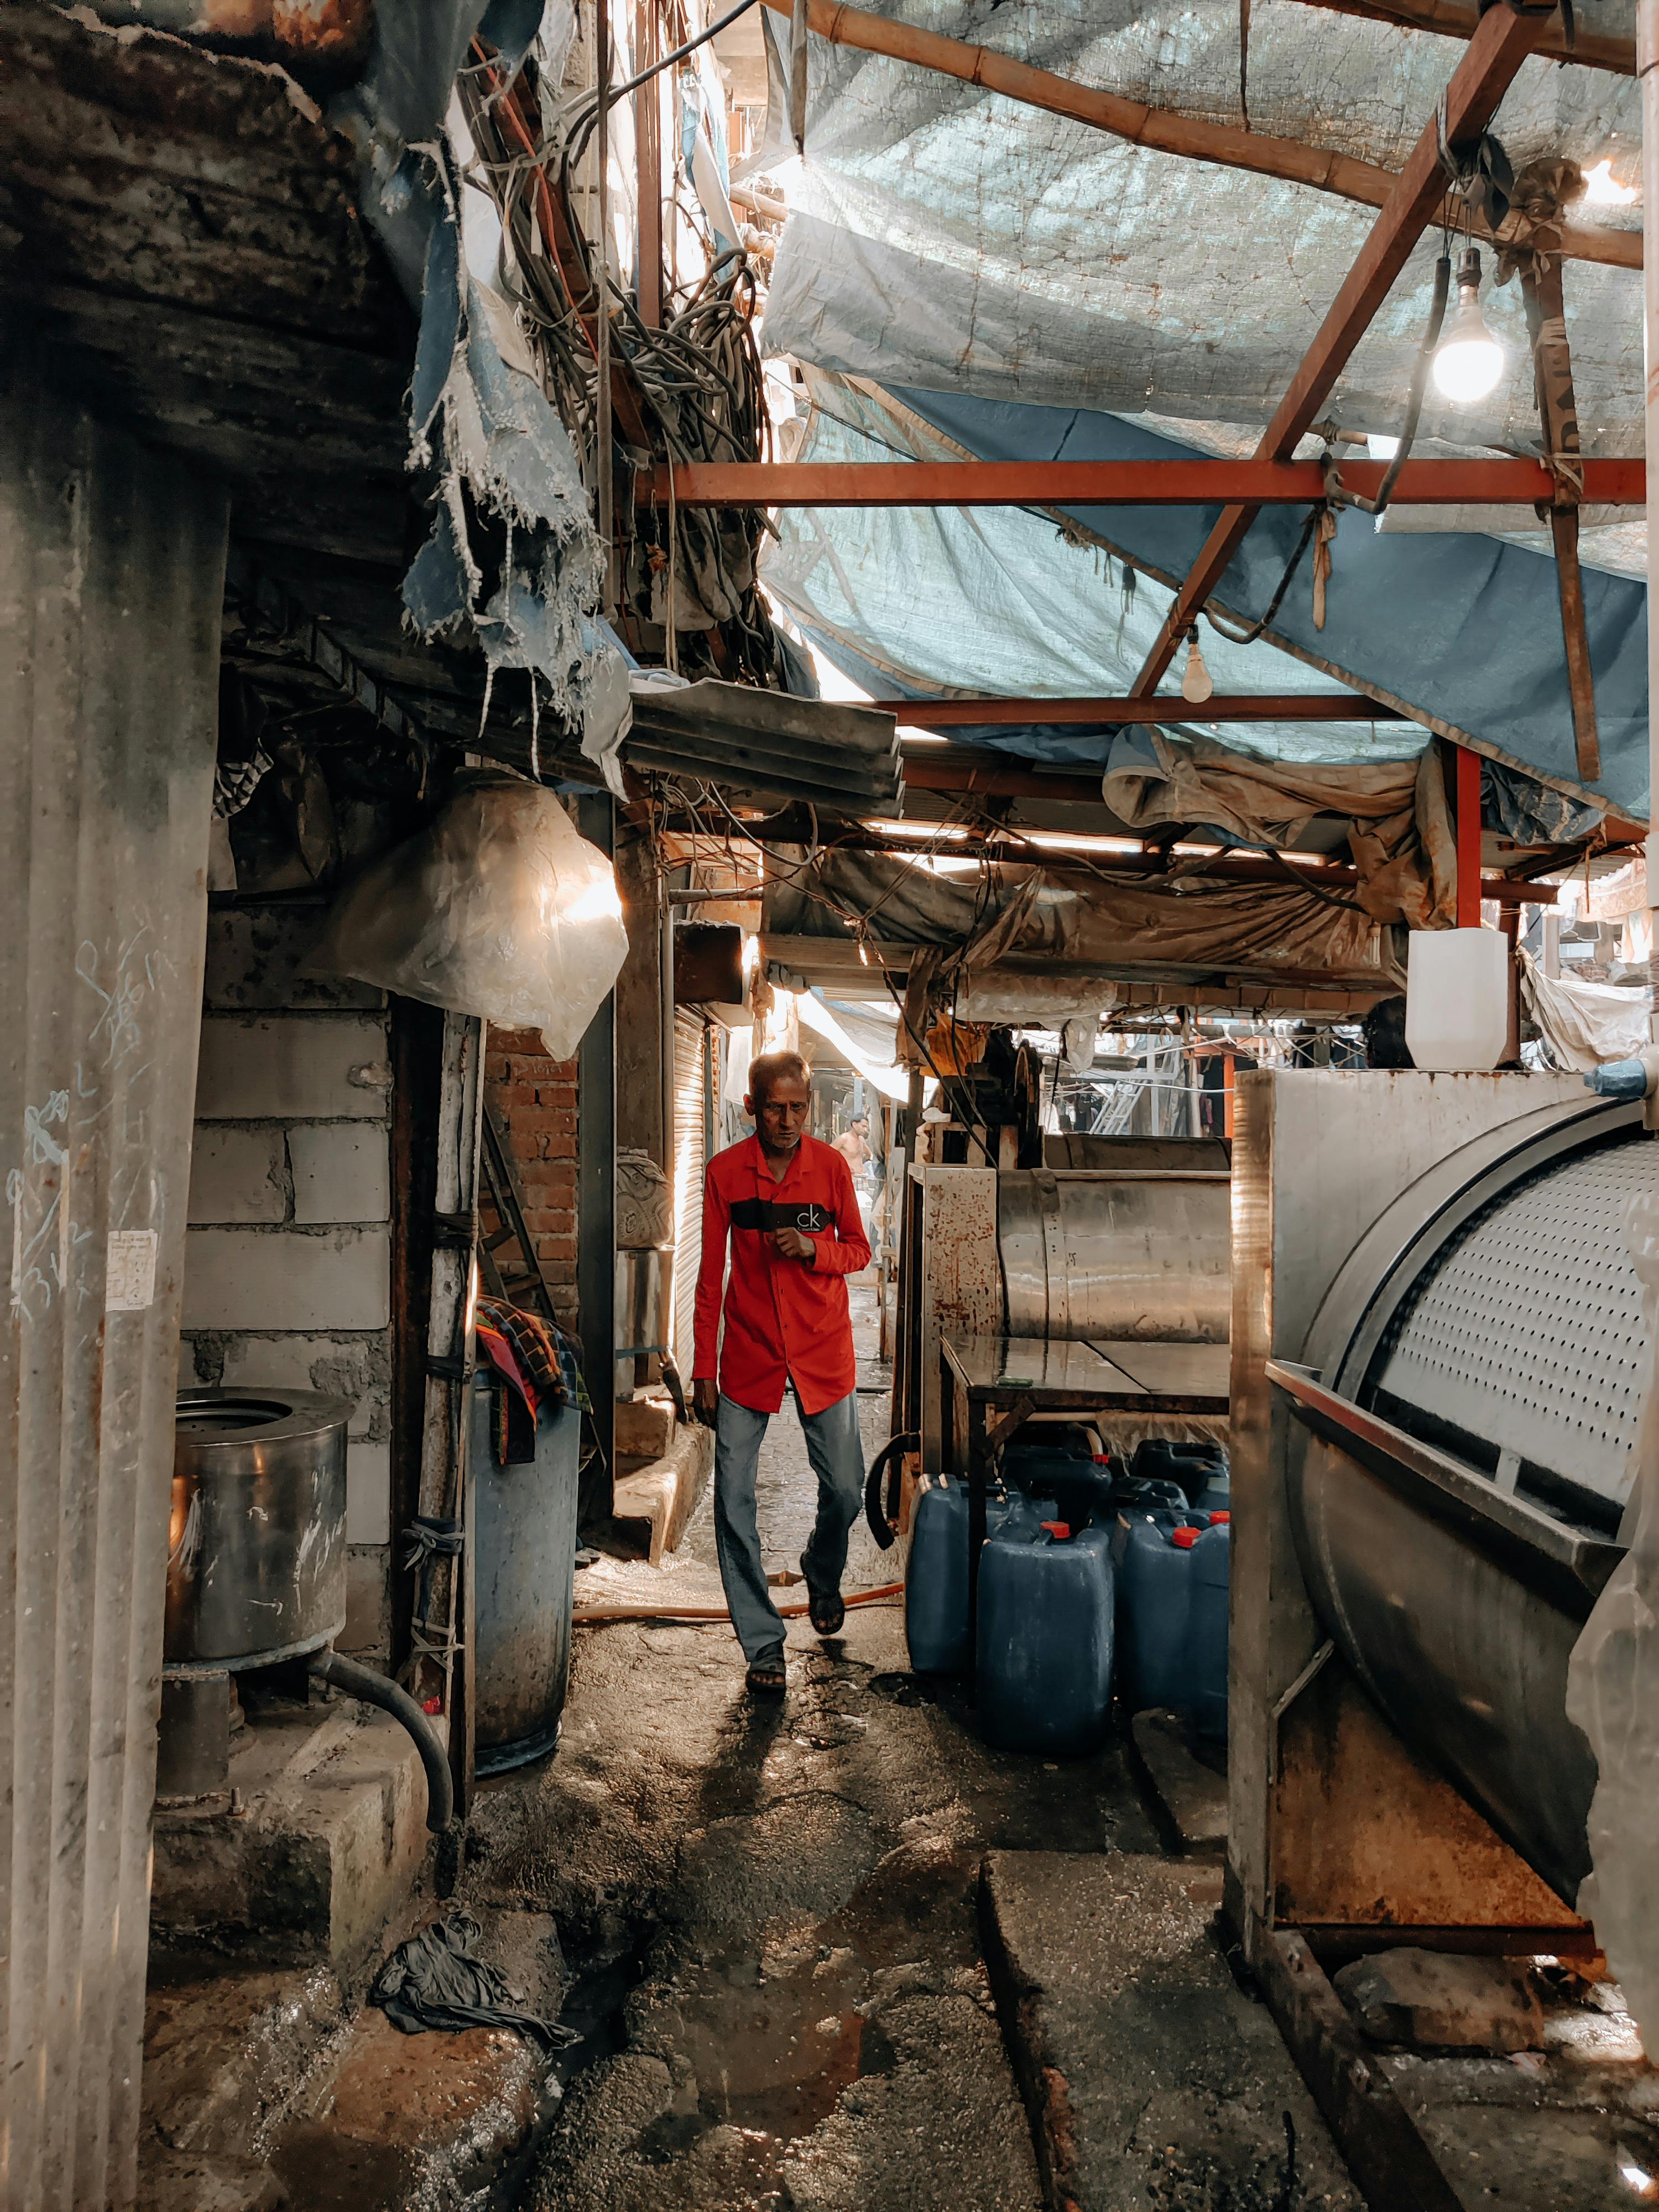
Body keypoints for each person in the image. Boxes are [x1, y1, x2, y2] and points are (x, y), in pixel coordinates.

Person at [692, 1051, 871, 1695]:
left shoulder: (830, 1169)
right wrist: (701, 1369)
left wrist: (814, 1250)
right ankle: (764, 1644)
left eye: (798, 1107)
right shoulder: (724, 1174)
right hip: (749, 1352)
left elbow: (860, 1249)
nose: (789, 1119)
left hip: (824, 1350)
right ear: (752, 1108)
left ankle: (823, 1573)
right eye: (776, 1107)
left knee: (847, 1490)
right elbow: (710, 1277)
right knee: (733, 1499)